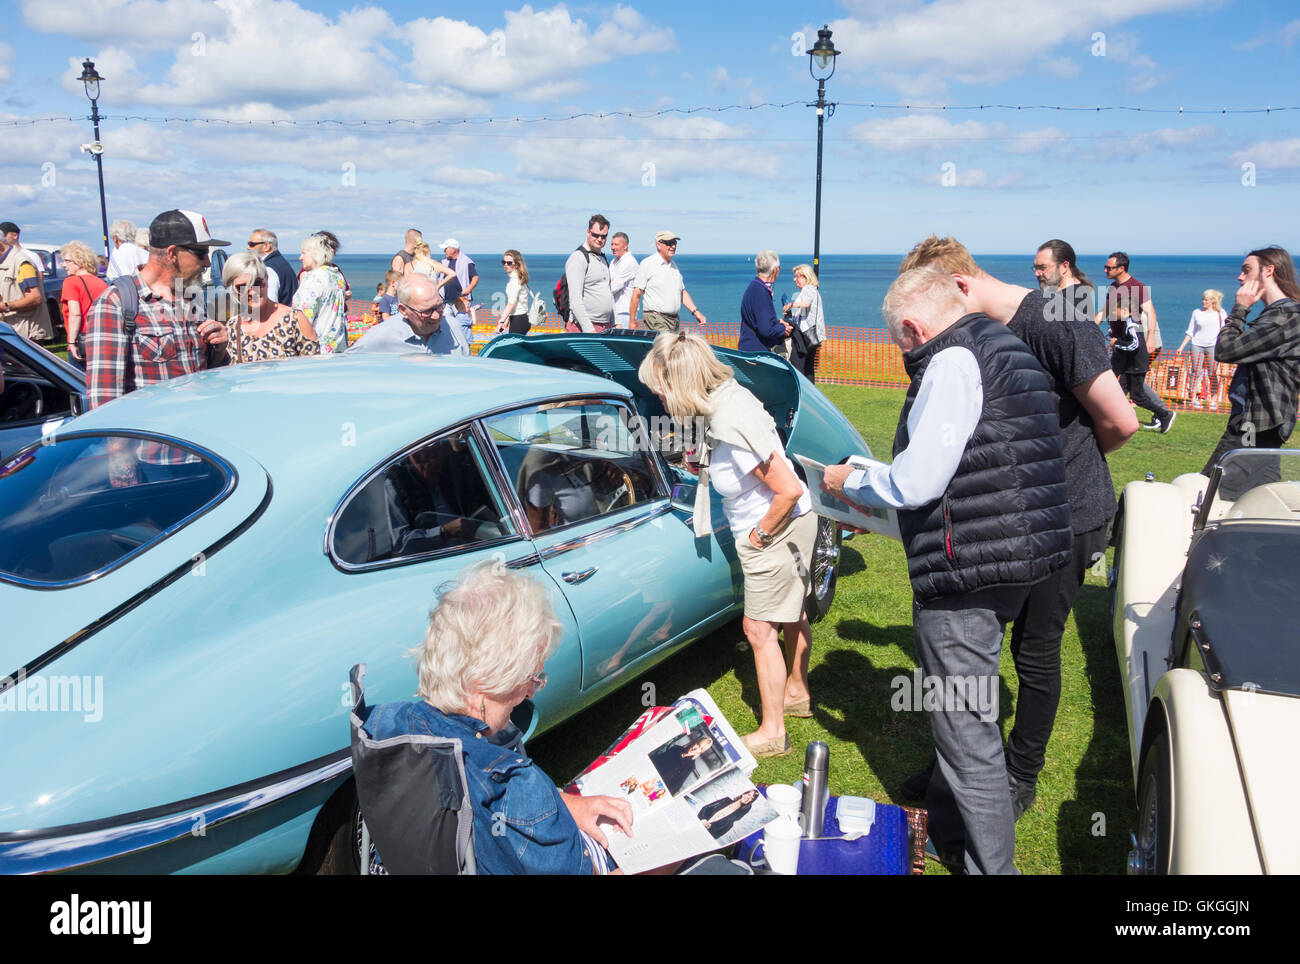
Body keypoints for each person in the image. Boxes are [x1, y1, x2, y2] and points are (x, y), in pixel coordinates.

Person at [822, 265, 1071, 875]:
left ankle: (991, 868)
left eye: (898, 341)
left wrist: (849, 481)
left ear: (912, 327)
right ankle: (947, 830)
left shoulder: (952, 359)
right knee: (965, 721)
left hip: (968, 573)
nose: (902, 352)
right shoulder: (1002, 343)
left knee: (967, 738)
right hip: (1018, 556)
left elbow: (916, 479)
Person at [893, 236, 1137, 822]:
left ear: (957, 285)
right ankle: (959, 765)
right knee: (972, 648)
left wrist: (1053, 472)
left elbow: (1121, 421)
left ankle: (1019, 773)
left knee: (1035, 651)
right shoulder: (967, 339)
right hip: (1001, 518)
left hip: (1068, 514)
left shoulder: (1058, 318)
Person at [362, 559, 634, 874]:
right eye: (532, 677)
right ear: (489, 678)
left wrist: (569, 805)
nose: (532, 692)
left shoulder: (387, 724)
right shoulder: (512, 787)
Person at [638, 332, 815, 759]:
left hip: (775, 527)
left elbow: (786, 489)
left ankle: (773, 731)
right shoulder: (729, 398)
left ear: (680, 382)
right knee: (792, 611)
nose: (659, 399)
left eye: (660, 389)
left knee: (758, 629)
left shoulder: (728, 422)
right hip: (797, 523)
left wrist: (758, 538)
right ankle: (797, 692)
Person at [84, 209, 231, 411]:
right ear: (172, 253)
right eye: (200, 253)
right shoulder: (115, 303)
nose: (207, 262)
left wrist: (219, 348)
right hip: (153, 438)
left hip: (196, 432)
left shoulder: (190, 297)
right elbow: (104, 401)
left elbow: (205, 373)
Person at [1200, 246, 1300, 495]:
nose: (1240, 277)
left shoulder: (1284, 318)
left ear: (1269, 271)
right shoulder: (1280, 316)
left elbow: (1225, 350)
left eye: (1246, 270)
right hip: (1264, 423)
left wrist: (1240, 308)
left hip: (1254, 426)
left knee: (1211, 494)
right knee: (1263, 496)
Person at [221, 251, 319, 362]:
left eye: (257, 283)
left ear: (267, 279)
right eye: (242, 286)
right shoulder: (233, 327)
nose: (253, 292)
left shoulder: (294, 319)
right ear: (232, 289)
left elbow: (313, 368)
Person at [1098, 252, 1162, 408]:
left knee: (1133, 382)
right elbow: (1104, 312)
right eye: (1105, 267)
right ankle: (1111, 411)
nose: (1105, 270)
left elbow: (1151, 313)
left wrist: (1150, 338)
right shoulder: (1113, 287)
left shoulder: (1137, 287)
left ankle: (1162, 410)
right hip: (1119, 343)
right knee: (1117, 379)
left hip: (1132, 342)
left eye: (1109, 267)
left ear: (1121, 268)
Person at [349, 274, 469, 356]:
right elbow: (345, 365)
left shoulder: (454, 327)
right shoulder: (380, 336)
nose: (436, 316)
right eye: (426, 311)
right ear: (403, 310)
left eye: (439, 307)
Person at [1110, 299, 1176, 433]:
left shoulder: (1131, 324)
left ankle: (1164, 414)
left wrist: (1117, 343)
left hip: (1136, 366)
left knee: (1137, 397)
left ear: (1124, 311)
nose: (1112, 312)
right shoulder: (1128, 323)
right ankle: (1117, 421)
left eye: (1114, 309)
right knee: (1119, 392)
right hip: (1130, 366)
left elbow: (1135, 344)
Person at [628, 231, 706, 332]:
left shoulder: (674, 266)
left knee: (673, 348)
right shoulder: (647, 264)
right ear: (658, 245)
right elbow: (636, 294)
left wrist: (696, 312)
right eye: (669, 243)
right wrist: (632, 322)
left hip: (674, 321)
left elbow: (682, 292)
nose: (673, 246)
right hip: (656, 319)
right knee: (666, 347)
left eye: (674, 243)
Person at [293, 231, 349, 353]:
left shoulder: (313, 278)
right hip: (338, 346)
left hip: (317, 348)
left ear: (315, 254)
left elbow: (303, 317)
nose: (300, 257)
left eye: (304, 253)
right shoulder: (337, 275)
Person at [0, 224, 54, 342]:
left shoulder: (22, 263)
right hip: (11, 332)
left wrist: (5, 307)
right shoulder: (4, 263)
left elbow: (35, 298)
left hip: (27, 334)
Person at [57, 240, 108, 366]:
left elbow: (75, 314)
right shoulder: (102, 283)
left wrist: (71, 342)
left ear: (79, 262)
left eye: (67, 261)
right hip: (102, 340)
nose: (64, 265)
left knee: (78, 382)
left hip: (82, 342)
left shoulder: (71, 282)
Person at [1177, 289, 1226, 410]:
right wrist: (1181, 347)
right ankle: (1193, 398)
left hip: (1213, 346)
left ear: (1213, 301)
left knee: (1212, 372)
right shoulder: (1196, 312)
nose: (1203, 301)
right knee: (1195, 371)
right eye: (1203, 299)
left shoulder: (1221, 313)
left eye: (1206, 299)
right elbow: (1190, 331)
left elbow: (1225, 331)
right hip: (1197, 344)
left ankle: (1213, 399)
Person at [564, 215, 614, 333]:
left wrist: (614, 323)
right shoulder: (579, 258)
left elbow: (608, 293)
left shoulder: (602, 258)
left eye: (603, 236)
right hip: (584, 327)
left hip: (604, 326)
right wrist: (590, 330)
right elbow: (575, 301)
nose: (599, 239)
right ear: (588, 232)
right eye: (595, 235)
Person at [739, 249, 792, 353]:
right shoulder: (760, 291)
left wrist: (777, 323)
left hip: (749, 349)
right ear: (775, 269)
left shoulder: (755, 286)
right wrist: (783, 328)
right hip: (757, 354)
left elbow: (759, 321)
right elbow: (766, 330)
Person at [1033, 239, 1095, 325]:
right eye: (1035, 268)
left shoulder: (1073, 299)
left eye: (1042, 268)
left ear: (1064, 266)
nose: (1036, 274)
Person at [782, 264, 825, 381]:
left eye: (797, 276)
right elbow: (805, 312)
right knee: (808, 368)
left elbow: (805, 304)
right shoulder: (812, 290)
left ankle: (799, 393)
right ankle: (810, 394)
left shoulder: (808, 288)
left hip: (804, 336)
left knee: (798, 367)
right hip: (813, 337)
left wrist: (790, 305)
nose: (794, 279)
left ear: (805, 277)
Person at [440, 239, 479, 344]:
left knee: (462, 327)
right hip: (446, 301)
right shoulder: (443, 262)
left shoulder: (467, 262)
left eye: (445, 248)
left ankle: (464, 347)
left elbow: (475, 277)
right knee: (446, 324)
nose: (444, 251)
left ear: (453, 249)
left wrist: (469, 289)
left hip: (461, 301)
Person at [246, 229, 299, 306]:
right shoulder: (282, 263)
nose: (247, 247)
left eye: (251, 244)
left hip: (277, 316)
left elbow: (270, 303)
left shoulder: (268, 269)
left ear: (266, 246)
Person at [495, 249, 533, 335]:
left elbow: (511, 303)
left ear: (516, 265)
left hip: (518, 320)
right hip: (523, 318)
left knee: (515, 347)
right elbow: (516, 303)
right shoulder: (519, 278)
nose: (505, 265)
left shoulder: (514, 281)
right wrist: (507, 319)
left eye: (509, 263)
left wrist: (501, 321)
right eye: (503, 262)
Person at [609, 231, 637, 328]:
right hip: (615, 310)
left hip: (624, 312)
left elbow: (613, 287)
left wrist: (610, 282)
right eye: (612, 244)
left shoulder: (629, 262)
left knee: (620, 341)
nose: (612, 247)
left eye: (616, 244)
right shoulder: (614, 261)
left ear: (625, 246)